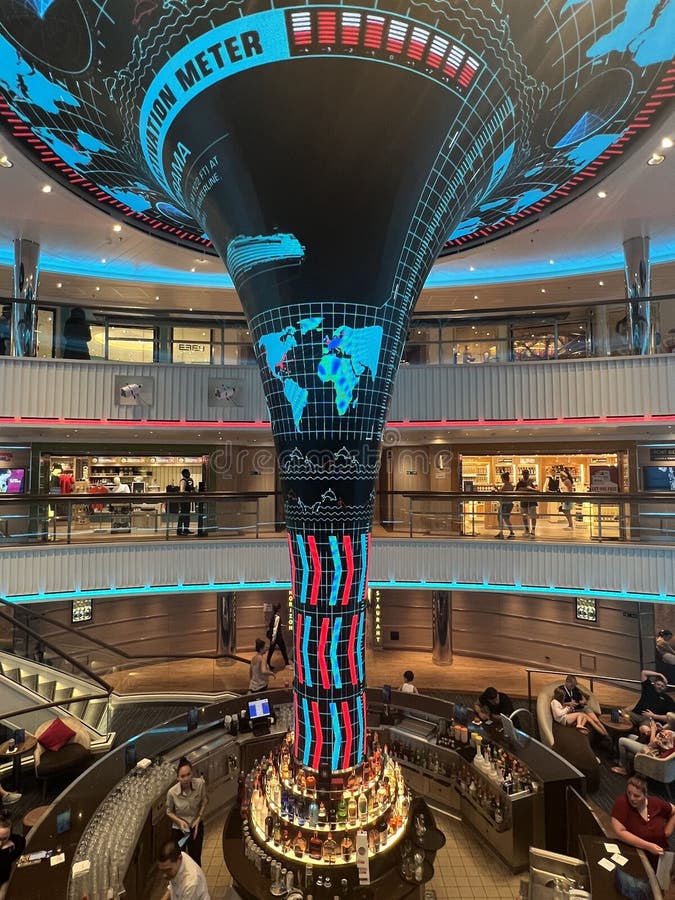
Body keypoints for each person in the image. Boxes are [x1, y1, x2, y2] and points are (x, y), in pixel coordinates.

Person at [611, 775, 675, 869]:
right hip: (635, 856)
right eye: (629, 793)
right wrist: (648, 846)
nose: (632, 798)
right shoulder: (622, 803)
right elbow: (619, 832)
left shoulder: (656, 803)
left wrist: (667, 832)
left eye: (637, 796)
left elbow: (674, 811)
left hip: (659, 856)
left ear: (645, 795)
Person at [166, 757, 207, 867]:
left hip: (195, 826)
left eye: (188, 774)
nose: (186, 779)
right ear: (177, 778)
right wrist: (179, 822)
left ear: (192, 773)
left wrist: (199, 818)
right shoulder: (172, 793)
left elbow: (204, 801)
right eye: (182, 776)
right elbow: (169, 811)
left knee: (196, 859)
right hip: (179, 829)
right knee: (178, 860)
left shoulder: (200, 784)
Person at [0, 813, 25, 886]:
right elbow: (4, 877)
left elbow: (22, 841)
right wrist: (4, 850)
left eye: (4, 838)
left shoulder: (11, 838)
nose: (0, 842)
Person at [515, 469, 538, 538]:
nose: (526, 475)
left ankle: (533, 529)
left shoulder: (531, 482)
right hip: (524, 501)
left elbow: (535, 490)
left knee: (532, 516)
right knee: (525, 516)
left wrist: (529, 489)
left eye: (526, 474)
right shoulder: (520, 483)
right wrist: (527, 489)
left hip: (531, 501)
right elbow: (517, 491)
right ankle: (527, 529)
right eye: (525, 474)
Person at [266, 603, 289, 670]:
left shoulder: (273, 616)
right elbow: (275, 629)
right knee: (283, 649)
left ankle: (268, 663)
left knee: (271, 650)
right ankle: (287, 663)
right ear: (279, 609)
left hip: (275, 637)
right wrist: (273, 639)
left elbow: (274, 626)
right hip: (277, 637)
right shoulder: (277, 617)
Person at [495, 471, 516, 539]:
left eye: (501, 478)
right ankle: (502, 532)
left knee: (505, 518)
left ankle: (511, 532)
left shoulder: (507, 486)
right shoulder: (510, 485)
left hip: (506, 504)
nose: (501, 480)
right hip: (506, 504)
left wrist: (496, 489)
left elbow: (501, 493)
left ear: (504, 478)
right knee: (502, 518)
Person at [177, 468, 195, 536]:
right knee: (183, 515)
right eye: (188, 472)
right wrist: (189, 492)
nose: (189, 474)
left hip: (186, 500)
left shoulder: (186, 480)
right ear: (184, 474)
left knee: (186, 515)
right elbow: (182, 491)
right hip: (184, 501)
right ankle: (180, 530)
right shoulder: (183, 481)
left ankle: (186, 529)